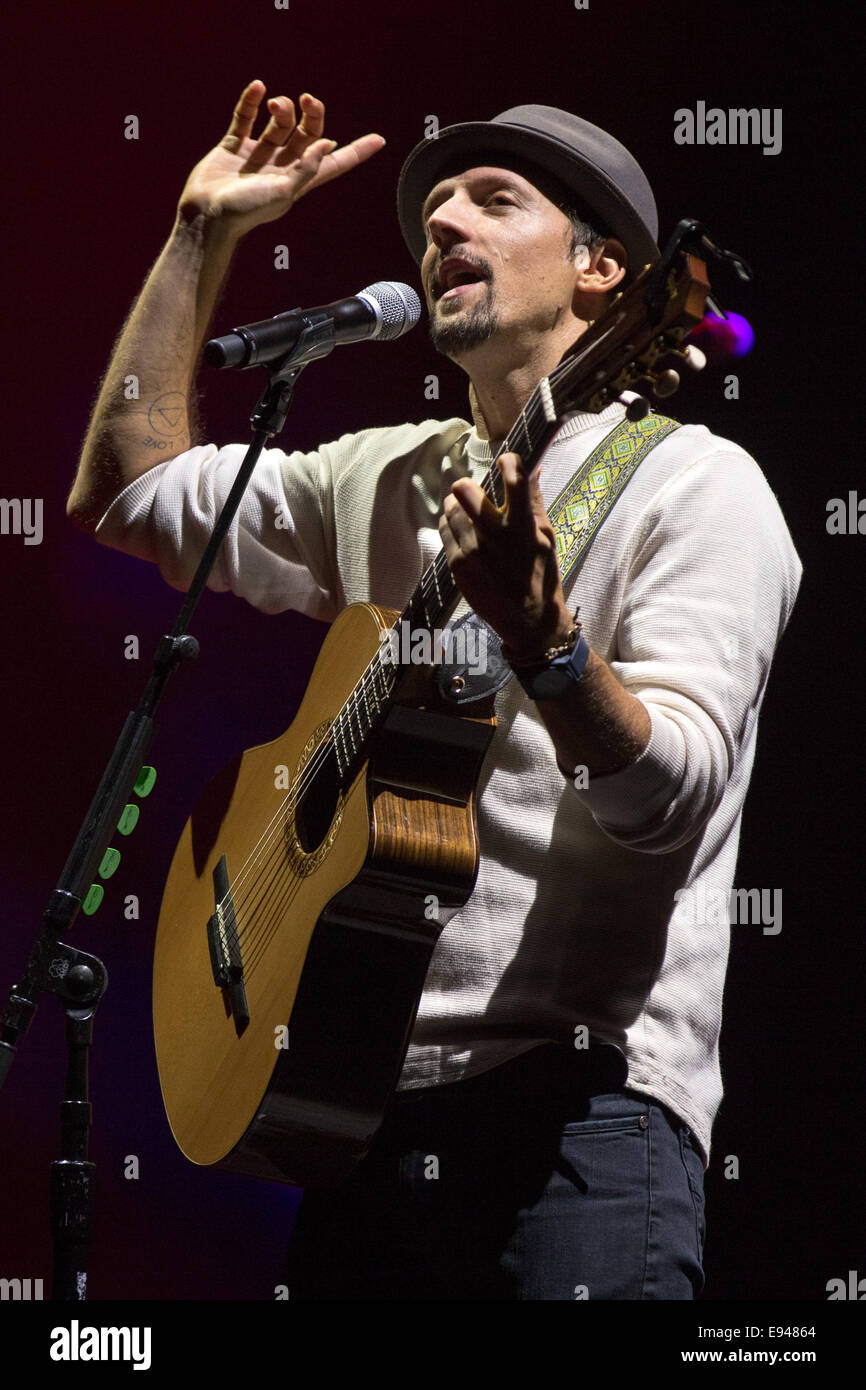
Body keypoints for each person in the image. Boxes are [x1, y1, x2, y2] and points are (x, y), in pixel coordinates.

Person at [68, 81, 801, 1300]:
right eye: (434, 208)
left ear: (603, 270)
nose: (442, 224)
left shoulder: (694, 487)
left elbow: (668, 797)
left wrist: (547, 645)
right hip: (355, 1128)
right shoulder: (386, 473)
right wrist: (200, 234)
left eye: (493, 200)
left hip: (582, 1128)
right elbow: (126, 496)